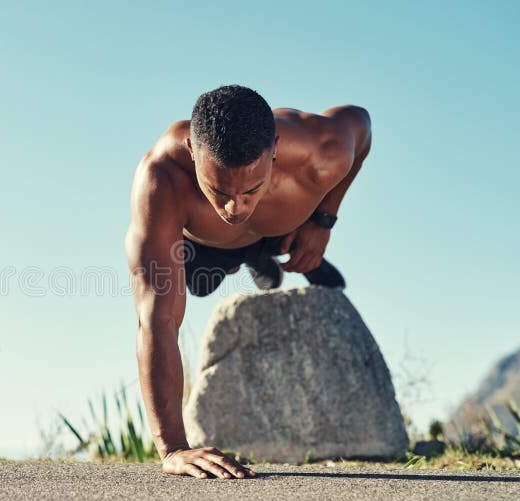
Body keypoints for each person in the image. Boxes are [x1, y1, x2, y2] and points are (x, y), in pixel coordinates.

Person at [124, 85, 372, 479]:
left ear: (274, 149)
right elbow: (158, 318)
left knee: (282, 237)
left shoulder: (323, 149)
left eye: (250, 190)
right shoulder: (162, 179)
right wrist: (173, 449)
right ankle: (248, 259)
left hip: (282, 226)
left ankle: (267, 255)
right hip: (204, 247)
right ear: (192, 150)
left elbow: (361, 124)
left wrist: (324, 220)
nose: (233, 207)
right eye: (218, 190)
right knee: (197, 284)